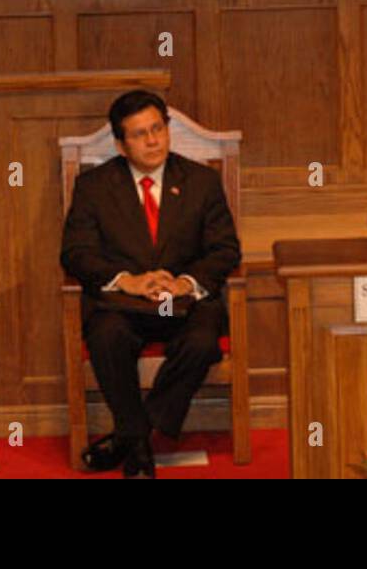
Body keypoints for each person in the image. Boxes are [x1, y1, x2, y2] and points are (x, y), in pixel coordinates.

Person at [60, 90, 242, 478]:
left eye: (158, 129)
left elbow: (226, 250)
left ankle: (131, 435)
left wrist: (185, 283)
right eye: (140, 134)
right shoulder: (93, 187)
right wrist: (127, 280)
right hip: (124, 304)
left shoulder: (201, 181)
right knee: (106, 337)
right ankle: (139, 441)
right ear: (120, 144)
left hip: (184, 303)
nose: (153, 140)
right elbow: (75, 254)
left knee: (201, 343)